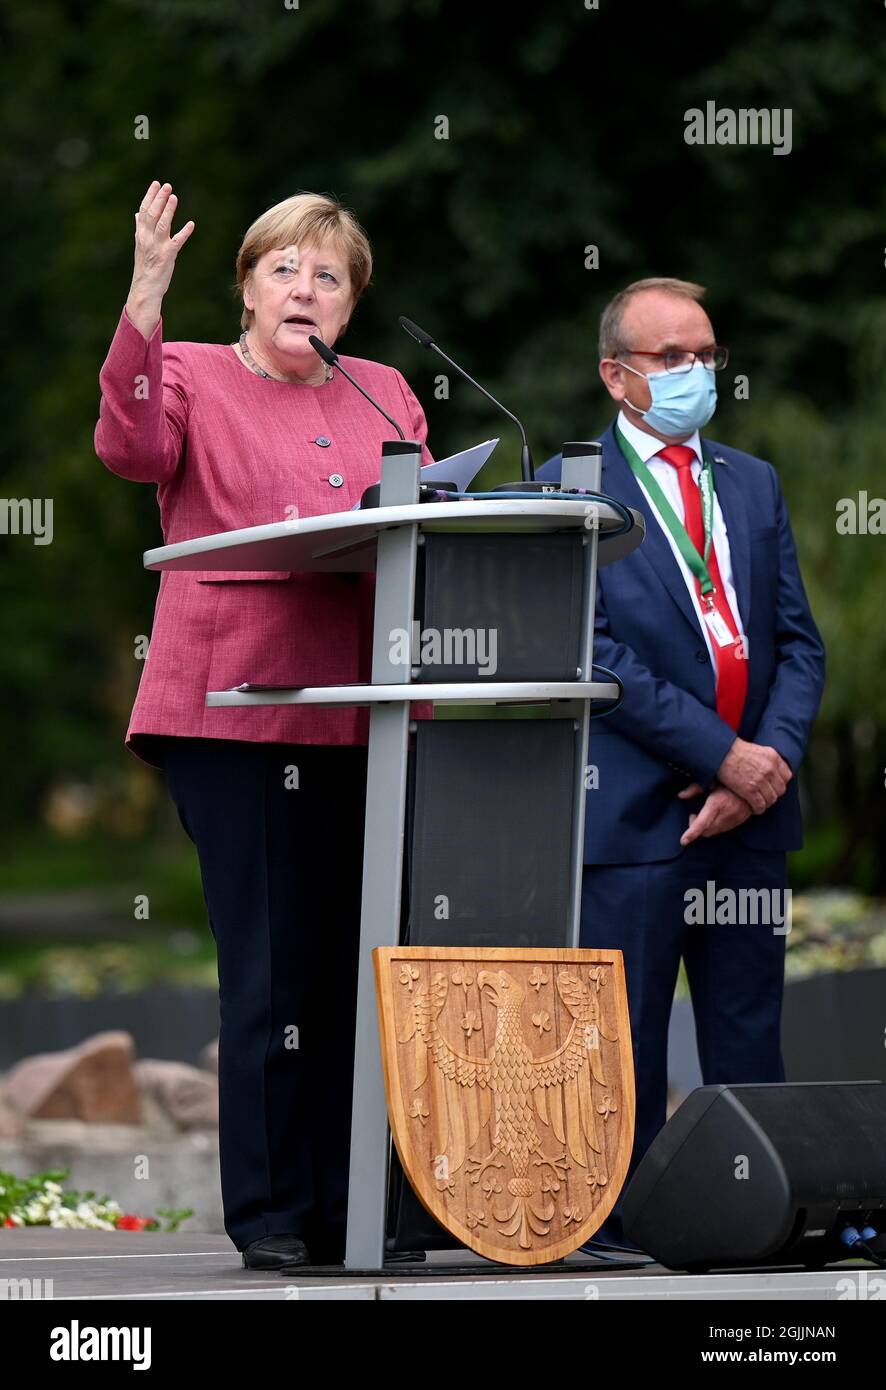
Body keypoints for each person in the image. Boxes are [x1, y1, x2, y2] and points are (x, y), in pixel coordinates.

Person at [94, 182, 432, 1269]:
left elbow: (417, 527)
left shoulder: (383, 392)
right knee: (274, 968)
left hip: (364, 707)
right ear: (243, 289)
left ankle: (353, 1203)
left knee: (353, 964)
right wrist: (145, 297)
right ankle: (275, 1212)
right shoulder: (189, 370)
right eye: (284, 268)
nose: (306, 288)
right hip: (234, 709)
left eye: (328, 276)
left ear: (349, 307)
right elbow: (131, 451)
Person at [535, 277, 825, 1247]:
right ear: (616, 375)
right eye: (671, 357)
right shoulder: (570, 486)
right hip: (635, 813)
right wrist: (719, 754)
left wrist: (766, 764)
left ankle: (755, 1218)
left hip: (752, 813)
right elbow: (590, 650)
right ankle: (619, 1225)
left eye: (705, 353)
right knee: (625, 1039)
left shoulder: (750, 481)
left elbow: (795, 640)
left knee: (747, 1035)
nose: (695, 372)